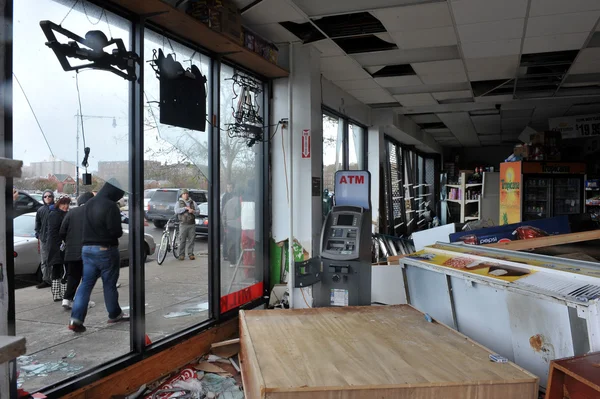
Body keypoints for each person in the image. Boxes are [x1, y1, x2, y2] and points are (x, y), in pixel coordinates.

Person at [69, 180, 128, 333]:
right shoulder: (111, 206)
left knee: (86, 284)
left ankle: (76, 319)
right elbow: (116, 232)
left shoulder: (89, 203)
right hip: (105, 250)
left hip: (87, 250)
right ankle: (114, 314)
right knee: (109, 284)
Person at [60, 192, 95, 310]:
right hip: (87, 251)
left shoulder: (71, 213)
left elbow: (62, 231)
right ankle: (84, 300)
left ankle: (66, 299)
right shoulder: (92, 213)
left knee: (73, 276)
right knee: (86, 278)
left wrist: (68, 242)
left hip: (71, 251)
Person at [45, 195, 70, 302]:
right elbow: (54, 232)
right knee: (62, 269)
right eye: (63, 203)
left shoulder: (59, 213)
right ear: (58, 203)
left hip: (57, 245)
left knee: (58, 269)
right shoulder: (55, 215)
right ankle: (62, 293)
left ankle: (58, 294)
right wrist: (62, 244)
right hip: (58, 246)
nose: (66, 206)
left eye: (67, 203)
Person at [34, 189, 55, 289]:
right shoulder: (40, 210)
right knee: (44, 261)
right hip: (44, 239)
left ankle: (56, 279)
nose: (47, 198)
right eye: (45, 196)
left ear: (53, 197)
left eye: (49, 196)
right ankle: (46, 280)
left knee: (56, 260)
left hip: (55, 239)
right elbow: (37, 224)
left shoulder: (56, 208)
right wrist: (38, 234)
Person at [175, 189, 200, 261]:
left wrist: (193, 211)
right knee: (182, 240)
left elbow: (198, 212)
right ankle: (181, 255)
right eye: (184, 194)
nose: (185, 195)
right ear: (182, 195)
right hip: (183, 224)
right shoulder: (178, 203)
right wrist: (185, 208)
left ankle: (190, 254)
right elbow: (176, 211)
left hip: (192, 224)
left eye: (186, 193)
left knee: (191, 240)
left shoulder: (193, 202)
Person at [222, 188, 241, 264]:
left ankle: (230, 259)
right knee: (236, 243)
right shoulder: (239, 202)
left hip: (229, 225)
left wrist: (225, 227)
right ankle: (235, 259)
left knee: (230, 243)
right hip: (237, 226)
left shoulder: (228, 202)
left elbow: (223, 216)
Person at [221, 183, 235, 260]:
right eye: (228, 187)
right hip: (227, 220)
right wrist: (224, 222)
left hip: (232, 221)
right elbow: (223, 210)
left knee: (232, 239)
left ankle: (231, 254)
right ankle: (225, 255)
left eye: (230, 187)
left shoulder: (233, 196)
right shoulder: (225, 197)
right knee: (226, 239)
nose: (229, 189)